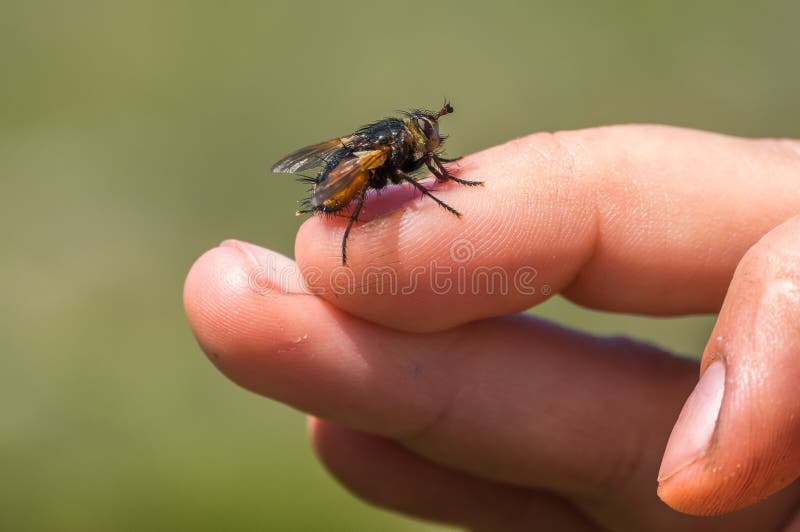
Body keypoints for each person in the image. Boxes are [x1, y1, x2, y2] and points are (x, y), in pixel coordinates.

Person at [184, 125, 800, 531]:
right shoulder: (381, 156)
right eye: (425, 138)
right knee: (375, 203)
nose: (430, 145)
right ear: (407, 144)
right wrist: (416, 194)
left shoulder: (382, 148)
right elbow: (378, 177)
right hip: (349, 189)